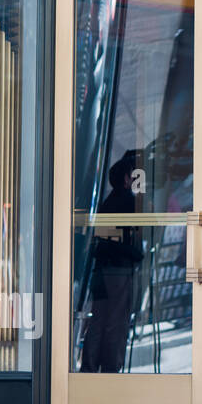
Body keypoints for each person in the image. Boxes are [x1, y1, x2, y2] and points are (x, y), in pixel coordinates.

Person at [80, 152, 142, 373]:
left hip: (102, 270)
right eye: (133, 175)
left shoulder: (107, 203)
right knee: (116, 322)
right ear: (126, 179)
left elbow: (105, 239)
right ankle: (110, 368)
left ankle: (88, 366)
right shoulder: (129, 201)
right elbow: (136, 231)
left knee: (98, 321)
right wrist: (137, 255)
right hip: (119, 271)